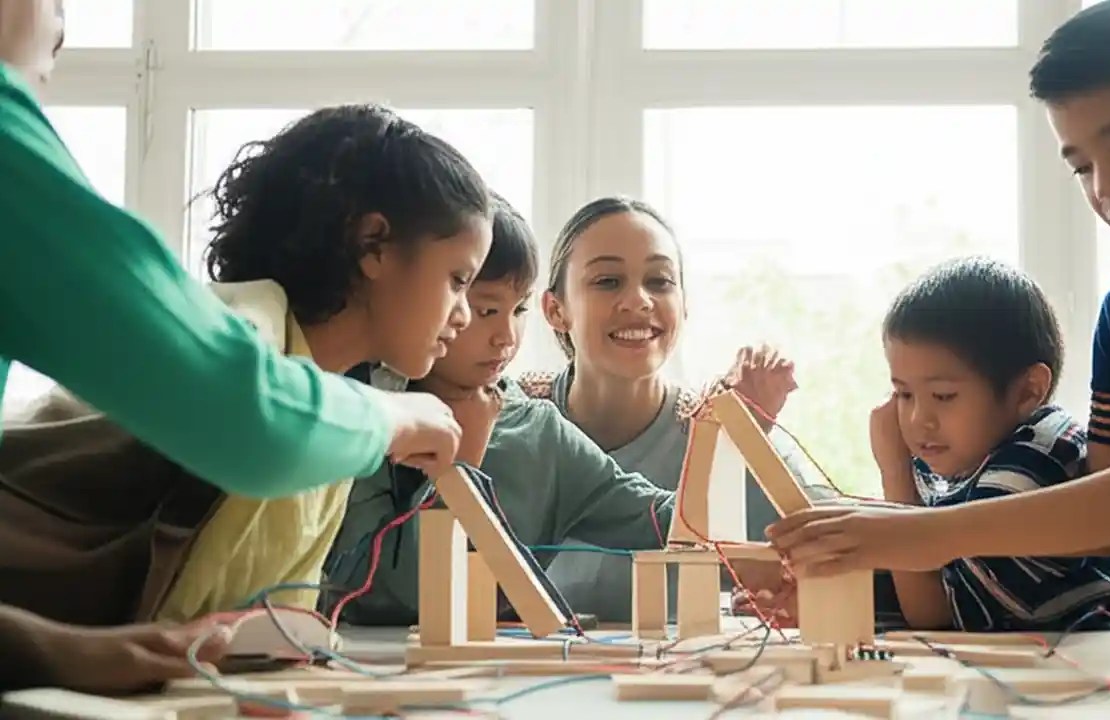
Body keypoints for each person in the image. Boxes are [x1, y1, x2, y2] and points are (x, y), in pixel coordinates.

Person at [768, 0, 1110, 666]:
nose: (1106, 186)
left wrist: (922, 535)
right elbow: (1097, 521)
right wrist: (869, 552)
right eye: (1081, 166)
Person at [0, 0, 464, 692]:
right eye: (457, 279)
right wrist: (401, 418)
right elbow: (254, 418)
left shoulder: (329, 403)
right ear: (373, 245)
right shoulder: (267, 346)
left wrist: (55, 650)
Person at [325, 197, 678, 625]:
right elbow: (371, 592)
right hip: (371, 673)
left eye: (519, 309)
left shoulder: (537, 430)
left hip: (506, 678)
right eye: (487, 310)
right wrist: (461, 467)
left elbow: (663, 521)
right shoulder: (368, 408)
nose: (506, 337)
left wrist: (744, 467)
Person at [758, 258, 1110, 633]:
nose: (918, 420)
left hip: (1107, 667)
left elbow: (932, 614)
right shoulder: (966, 455)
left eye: (944, 396)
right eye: (904, 395)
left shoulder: (1028, 466)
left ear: (1027, 391)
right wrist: (817, 597)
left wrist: (895, 474)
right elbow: (931, 568)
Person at [520, 196, 835, 622]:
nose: (639, 300)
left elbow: (830, 563)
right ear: (555, 310)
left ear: (685, 305)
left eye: (660, 281)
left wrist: (790, 600)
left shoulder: (739, 434)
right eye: (608, 281)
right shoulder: (511, 424)